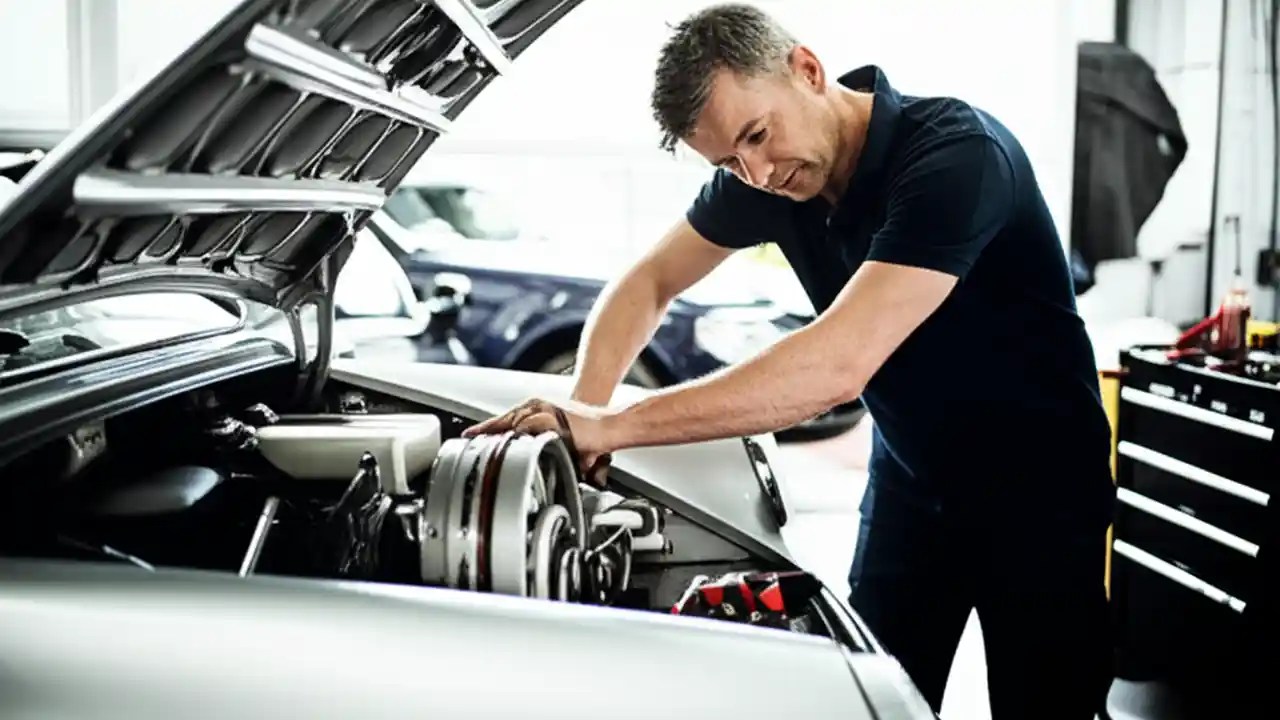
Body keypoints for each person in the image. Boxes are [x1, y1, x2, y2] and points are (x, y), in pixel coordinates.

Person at [464, 4, 1116, 716]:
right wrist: (583, 414)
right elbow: (648, 281)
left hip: (1037, 494)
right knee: (872, 702)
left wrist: (615, 426)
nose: (758, 174)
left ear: (807, 70)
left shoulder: (957, 158)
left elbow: (837, 365)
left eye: (756, 136)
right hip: (912, 487)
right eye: (728, 163)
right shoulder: (766, 178)